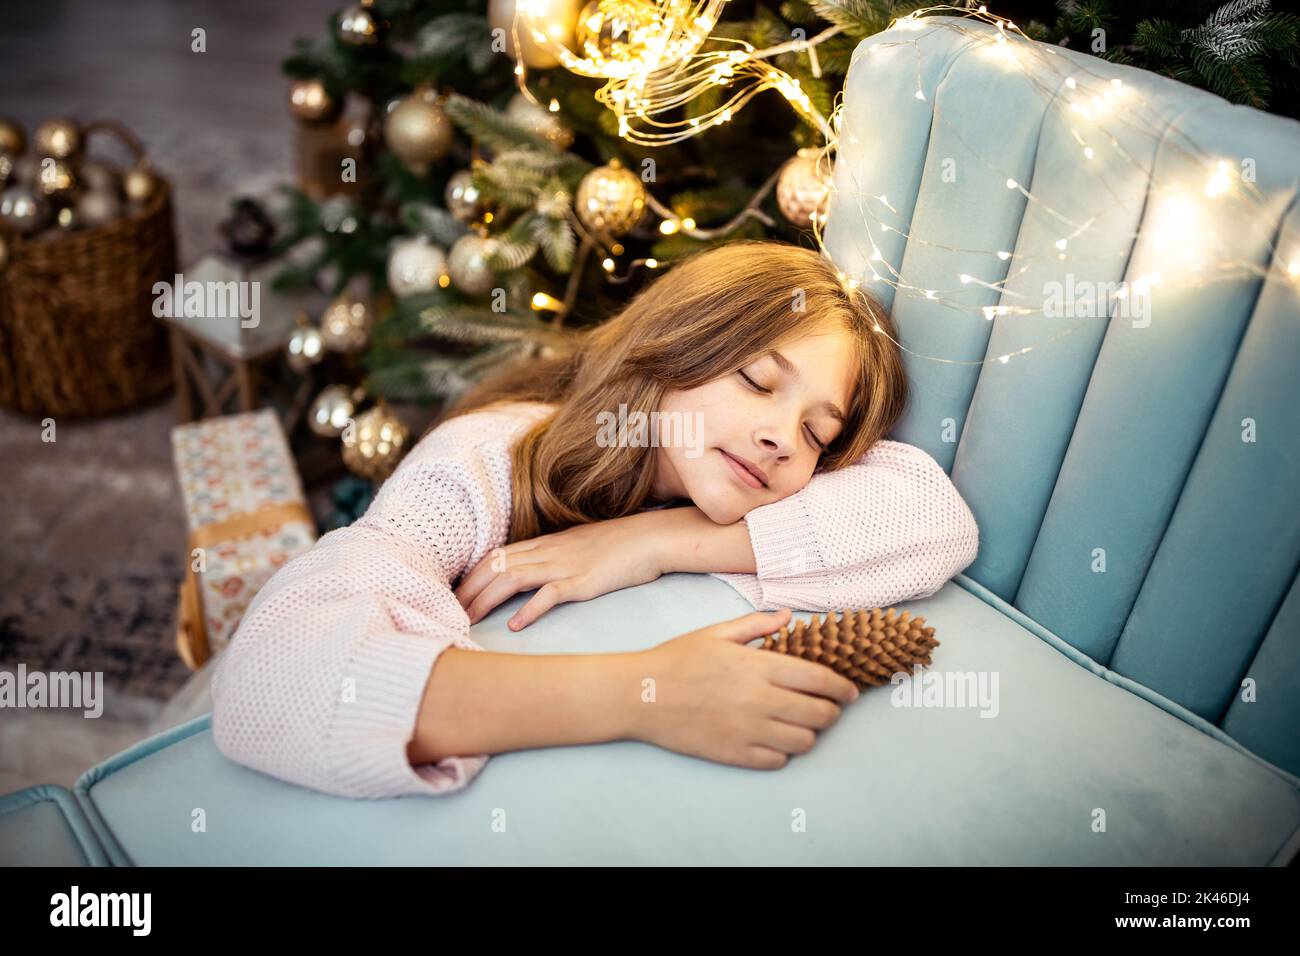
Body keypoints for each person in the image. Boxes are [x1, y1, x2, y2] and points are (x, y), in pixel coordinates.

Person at [210, 239, 979, 799]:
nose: (784, 437)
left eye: (820, 433)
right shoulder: (481, 464)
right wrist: (647, 693)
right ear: (670, 347)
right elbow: (272, 678)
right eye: (757, 379)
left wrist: (652, 543)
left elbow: (937, 519)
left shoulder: (727, 486)